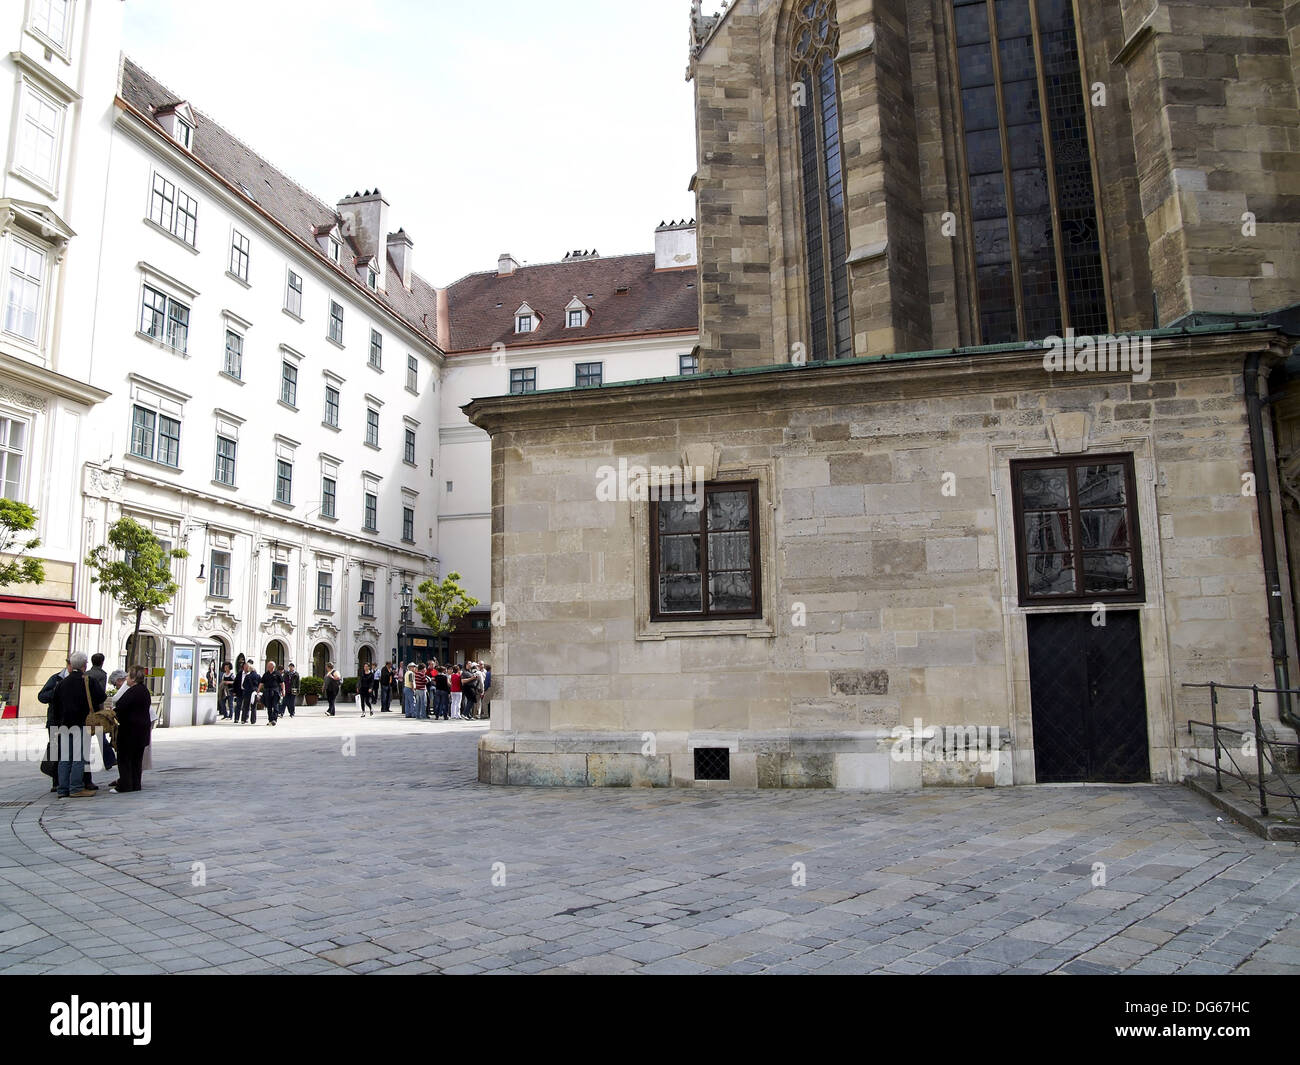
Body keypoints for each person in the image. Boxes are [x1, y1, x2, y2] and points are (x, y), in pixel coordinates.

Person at [52, 652, 105, 798]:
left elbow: (55, 706)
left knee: (64, 758)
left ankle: (62, 789)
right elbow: (102, 696)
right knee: (79, 756)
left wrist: (56, 724)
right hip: (81, 723)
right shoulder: (88, 681)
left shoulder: (62, 683)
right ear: (84, 665)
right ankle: (76, 787)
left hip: (64, 724)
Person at [111, 666, 152, 793]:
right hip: (142, 729)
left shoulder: (132, 691)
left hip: (130, 730)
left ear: (133, 678)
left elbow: (121, 707)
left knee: (124, 759)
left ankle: (125, 785)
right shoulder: (144, 690)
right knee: (136, 760)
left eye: (128, 676)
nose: (126, 679)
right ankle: (135, 784)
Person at [260, 660, 283, 726]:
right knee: (269, 706)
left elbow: (282, 683)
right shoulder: (266, 674)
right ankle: (270, 720)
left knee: (275, 705)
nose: (267, 666)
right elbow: (261, 683)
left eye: (269, 665)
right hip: (267, 691)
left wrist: (283, 690)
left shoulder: (277, 673)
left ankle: (274, 720)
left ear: (273, 666)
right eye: (267, 665)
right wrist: (258, 690)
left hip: (275, 691)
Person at [240, 660, 261, 724]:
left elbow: (243, 685)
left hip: (247, 692)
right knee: (254, 707)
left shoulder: (247, 676)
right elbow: (261, 684)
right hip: (254, 692)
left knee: (245, 706)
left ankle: (243, 719)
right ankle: (253, 720)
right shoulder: (258, 676)